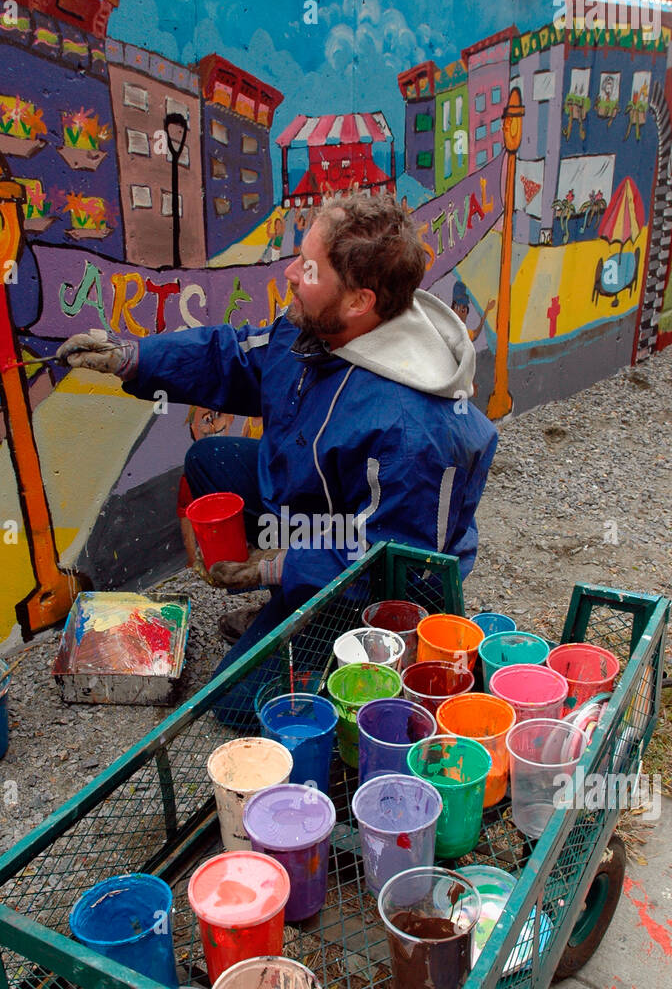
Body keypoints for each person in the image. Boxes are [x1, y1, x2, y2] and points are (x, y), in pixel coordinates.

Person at [58, 192, 498, 711]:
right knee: (210, 461)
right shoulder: (320, 321)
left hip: (382, 587)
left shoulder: (412, 428)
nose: (290, 272)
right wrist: (135, 359)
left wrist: (278, 566)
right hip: (325, 514)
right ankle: (291, 608)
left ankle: (339, 657)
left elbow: (391, 566)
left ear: (360, 300)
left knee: (237, 704)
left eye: (309, 268)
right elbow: (237, 359)